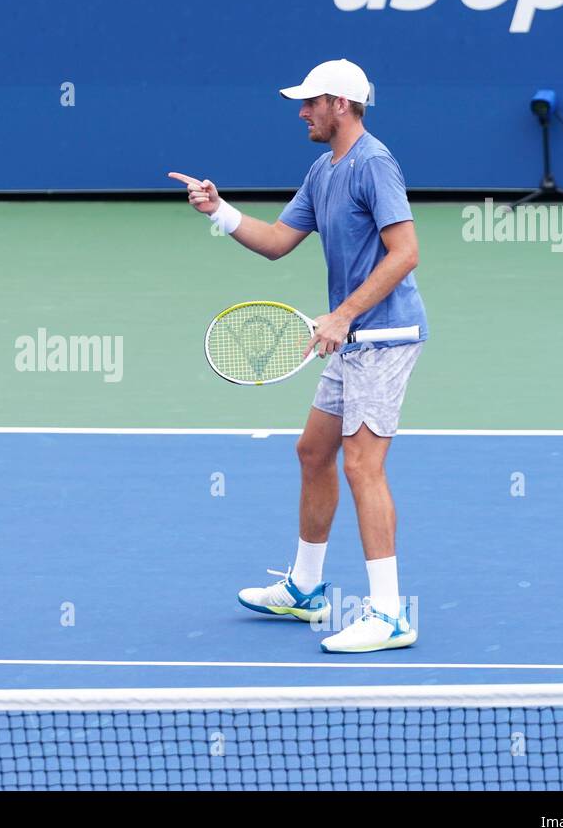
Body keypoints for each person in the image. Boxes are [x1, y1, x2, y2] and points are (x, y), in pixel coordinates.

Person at [169, 59, 427, 653]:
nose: (302, 111)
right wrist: (220, 211)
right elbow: (279, 243)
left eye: (310, 102)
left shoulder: (374, 165)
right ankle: (306, 589)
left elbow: (406, 252)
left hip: (384, 339)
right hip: (350, 339)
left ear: (340, 103)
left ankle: (389, 614)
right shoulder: (324, 169)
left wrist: (342, 315)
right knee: (314, 452)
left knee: (363, 466)